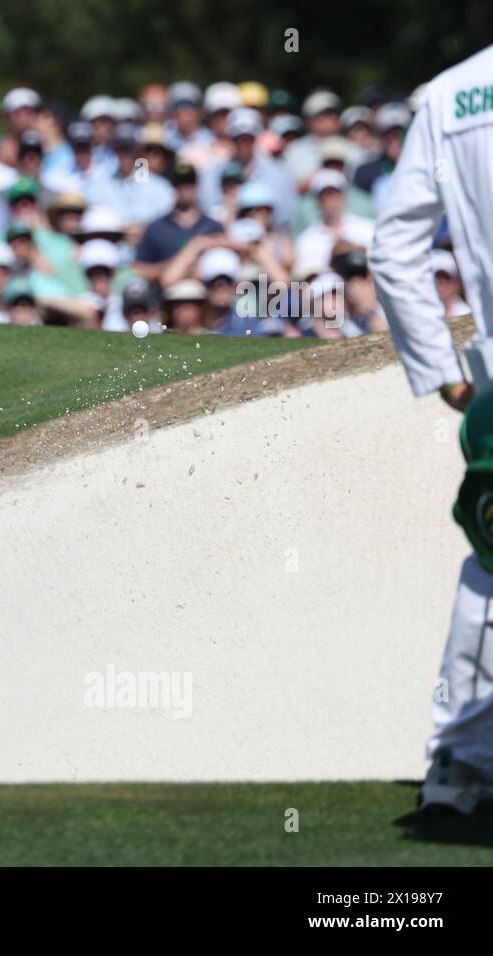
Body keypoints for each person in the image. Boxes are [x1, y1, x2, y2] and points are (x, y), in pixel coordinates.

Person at [369, 43, 493, 814]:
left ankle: (463, 765)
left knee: (491, 565)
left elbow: (392, 249)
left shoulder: (453, 96)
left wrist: (441, 368)